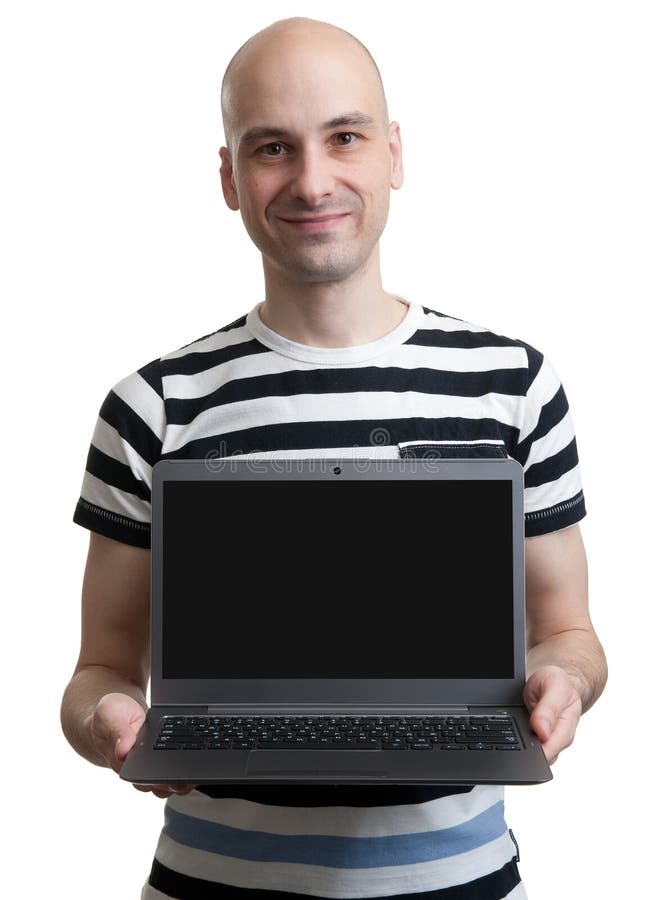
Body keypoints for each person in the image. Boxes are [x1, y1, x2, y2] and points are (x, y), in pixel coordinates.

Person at [60, 16, 608, 900]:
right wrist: (112, 724)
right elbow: (99, 672)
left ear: (393, 153)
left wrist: (565, 683)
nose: (312, 181)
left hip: (461, 885)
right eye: (271, 147)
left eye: (343, 137)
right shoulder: (153, 403)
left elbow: (571, 634)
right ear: (230, 178)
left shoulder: (514, 384)